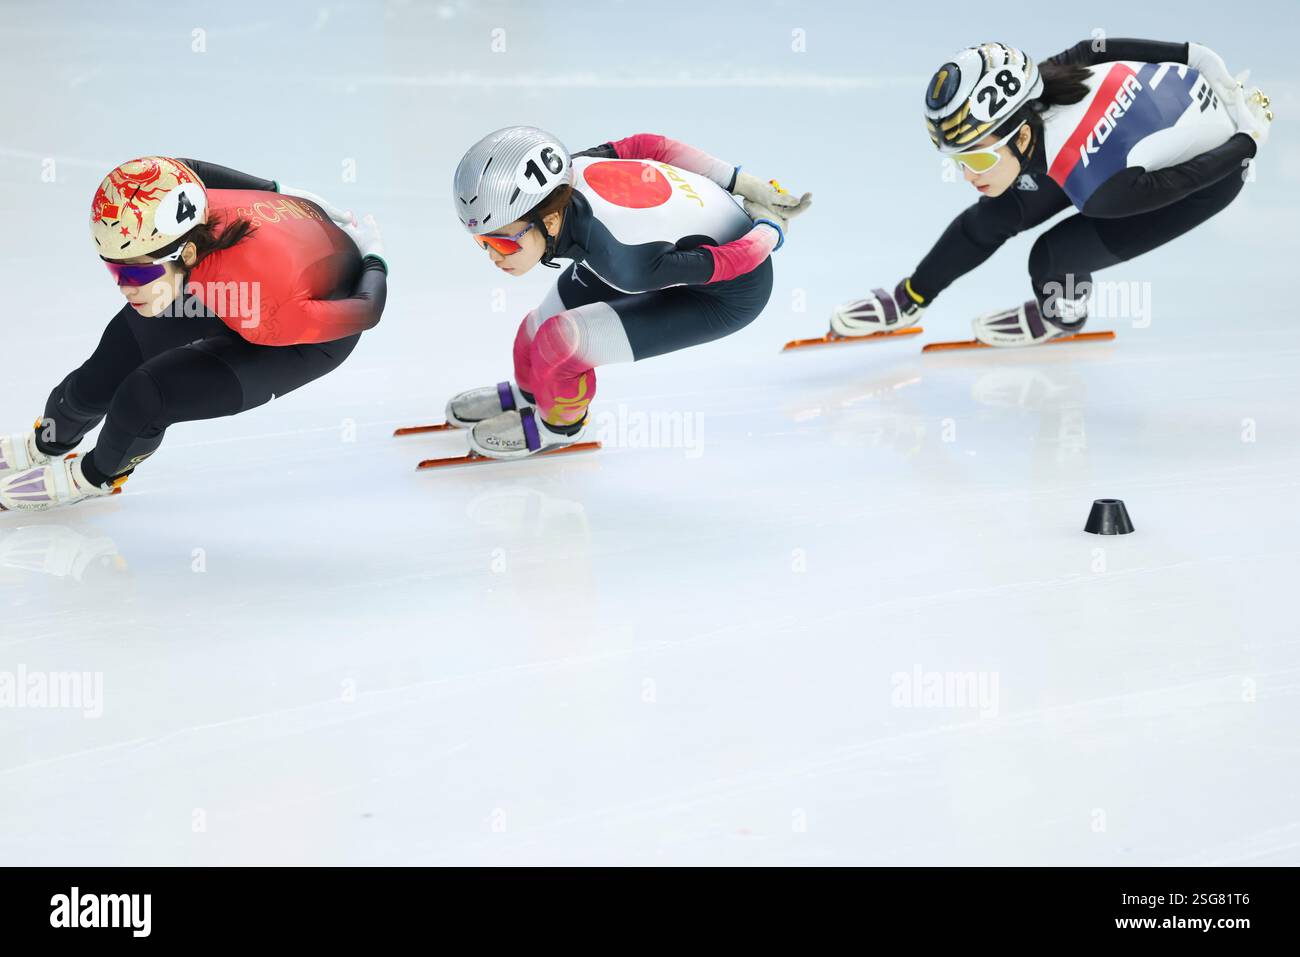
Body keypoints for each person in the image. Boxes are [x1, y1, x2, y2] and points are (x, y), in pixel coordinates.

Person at [0, 157, 388, 511]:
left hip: (300, 333)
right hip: (228, 277)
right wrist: (276, 189)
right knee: (100, 377)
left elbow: (366, 311)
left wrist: (373, 256)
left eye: (135, 274)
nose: (124, 287)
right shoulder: (177, 210)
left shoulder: (277, 309)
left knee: (147, 395)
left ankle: (94, 477)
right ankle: (45, 442)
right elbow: (177, 167)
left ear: (184, 255)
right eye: (115, 271)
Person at [829, 39, 1273, 347]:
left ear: (1021, 137)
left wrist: (1246, 141)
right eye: (958, 161)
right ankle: (910, 299)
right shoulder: (1044, 84)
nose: (966, 174)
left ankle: (1063, 315)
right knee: (992, 216)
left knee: (1054, 259)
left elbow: (1177, 182)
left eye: (977, 159)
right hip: (1125, 145)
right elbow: (1095, 48)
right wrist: (1194, 55)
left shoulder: (1096, 186)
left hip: (1209, 176)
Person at [447, 126, 811, 459]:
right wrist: (741, 182)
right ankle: (528, 395)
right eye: (483, 242)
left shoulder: (626, 264)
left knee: (560, 342)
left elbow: (734, 261)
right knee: (533, 329)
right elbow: (650, 146)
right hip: (648, 245)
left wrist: (769, 230)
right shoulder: (566, 174)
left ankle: (558, 427)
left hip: (729, 292)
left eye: (503, 243)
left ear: (552, 221)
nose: (493, 257)